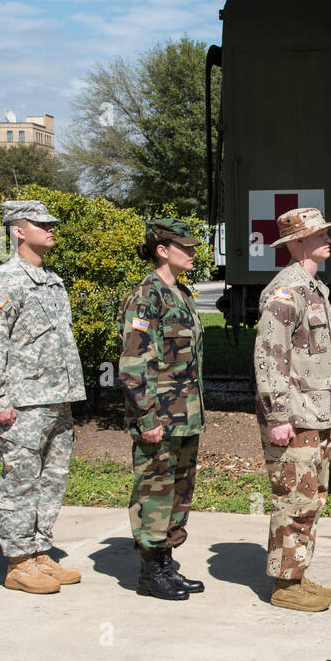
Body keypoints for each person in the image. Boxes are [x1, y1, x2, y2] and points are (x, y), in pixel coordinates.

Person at [0, 200, 86, 595]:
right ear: (19, 230)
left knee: (52, 480)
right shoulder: (6, 281)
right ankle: (18, 561)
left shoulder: (51, 279)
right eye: (41, 224)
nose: (51, 228)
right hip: (22, 403)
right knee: (20, 481)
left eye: (52, 222)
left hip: (56, 399)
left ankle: (39, 552)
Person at [254, 207, 331, 612]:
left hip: (315, 415)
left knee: (310, 499)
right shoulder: (286, 291)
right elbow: (270, 358)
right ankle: (284, 586)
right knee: (293, 499)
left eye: (325, 231)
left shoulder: (312, 287)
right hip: (293, 417)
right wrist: (277, 417)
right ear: (296, 243)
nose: (327, 238)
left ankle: (298, 574)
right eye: (318, 234)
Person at [116, 219, 208, 601]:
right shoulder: (145, 297)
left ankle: (166, 561)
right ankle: (150, 571)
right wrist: (147, 418)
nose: (191, 253)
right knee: (154, 489)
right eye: (183, 247)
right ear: (161, 250)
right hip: (159, 416)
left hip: (185, 415)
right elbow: (133, 363)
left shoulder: (181, 294)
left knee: (178, 490)